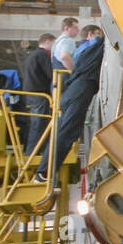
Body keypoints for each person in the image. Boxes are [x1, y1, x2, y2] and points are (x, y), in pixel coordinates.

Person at [35, 29, 104, 186]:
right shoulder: (100, 45)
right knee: (68, 131)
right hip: (80, 89)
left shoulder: (84, 48)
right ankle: (44, 172)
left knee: (63, 131)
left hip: (71, 90)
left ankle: (43, 171)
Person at [21, 33, 54, 154]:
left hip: (32, 94)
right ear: (47, 41)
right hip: (40, 94)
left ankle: (33, 151)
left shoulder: (33, 55)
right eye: (53, 43)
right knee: (39, 124)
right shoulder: (42, 55)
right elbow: (51, 74)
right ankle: (32, 152)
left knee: (37, 123)